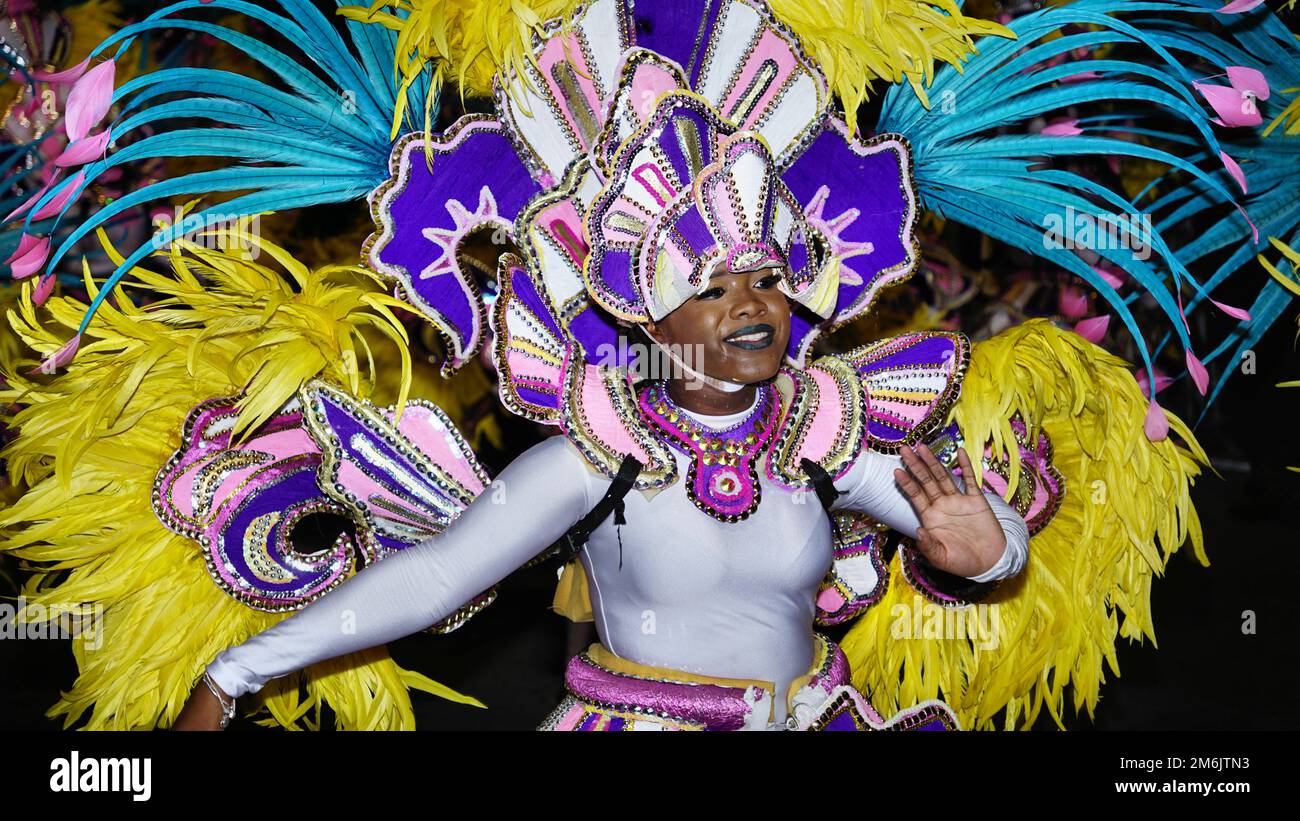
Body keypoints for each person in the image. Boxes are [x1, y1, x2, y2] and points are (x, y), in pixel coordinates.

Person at [175, 255, 1028, 731]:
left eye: (766, 278)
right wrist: (235, 673)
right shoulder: (593, 457)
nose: (751, 304)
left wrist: (993, 550)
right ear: (651, 326)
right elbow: (436, 576)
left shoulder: (820, 438)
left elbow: (996, 541)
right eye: (713, 287)